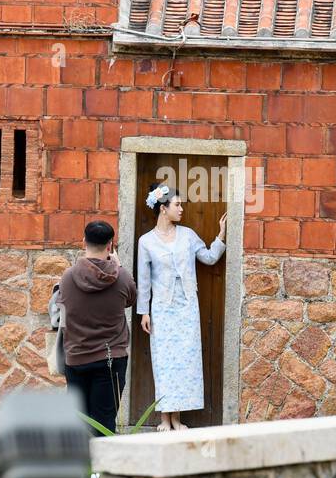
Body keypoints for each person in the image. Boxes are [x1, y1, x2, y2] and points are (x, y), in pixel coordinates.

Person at [136, 183, 227, 432]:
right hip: (162, 310)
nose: (181, 209)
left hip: (187, 307)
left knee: (184, 362)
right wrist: (144, 311)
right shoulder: (146, 242)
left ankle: (177, 418)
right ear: (163, 209)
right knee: (164, 362)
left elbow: (208, 258)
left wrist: (220, 236)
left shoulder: (187, 235)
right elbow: (143, 279)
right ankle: (165, 419)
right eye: (177, 204)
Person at [56, 220, 136, 436]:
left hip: (77, 359)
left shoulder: (67, 277)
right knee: (104, 424)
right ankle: (101, 470)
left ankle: (80, 468)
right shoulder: (123, 278)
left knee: (79, 424)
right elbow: (130, 299)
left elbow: (62, 306)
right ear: (110, 245)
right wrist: (118, 268)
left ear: (84, 242)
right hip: (111, 360)